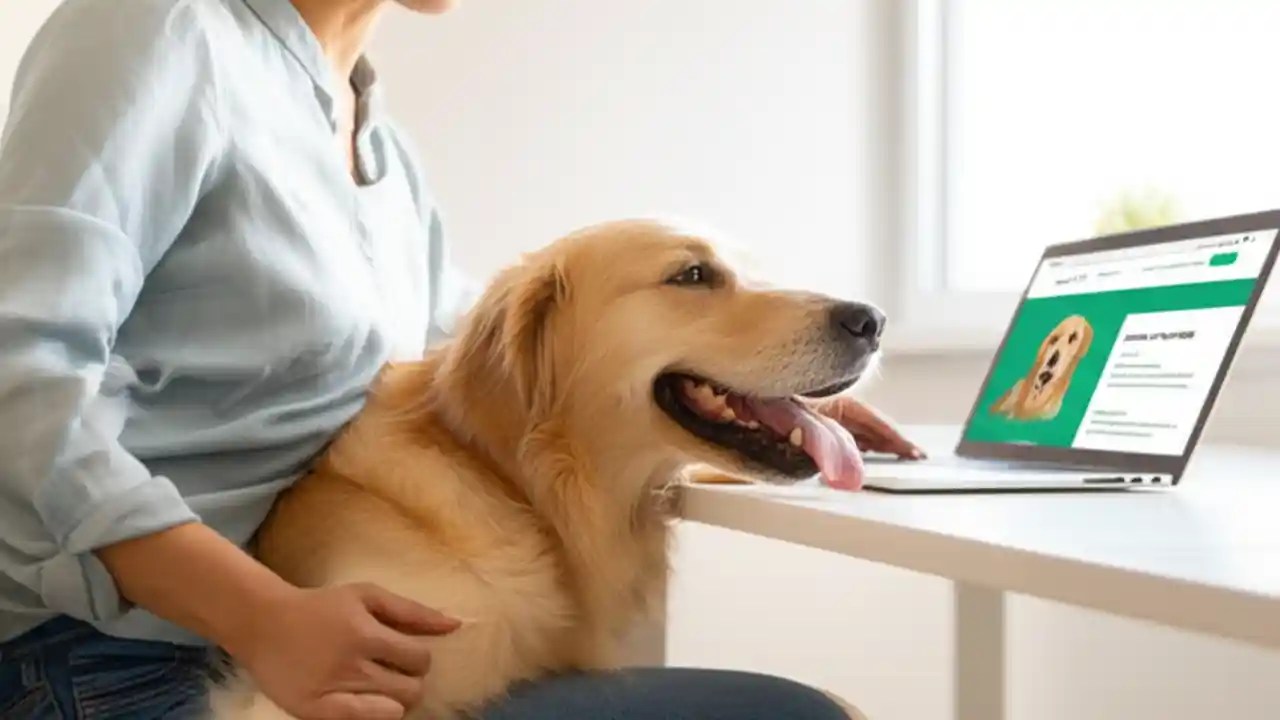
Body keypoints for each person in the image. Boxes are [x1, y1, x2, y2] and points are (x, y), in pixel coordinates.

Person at [0, 0, 923, 717]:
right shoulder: (154, 33)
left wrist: (775, 403)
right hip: (101, 661)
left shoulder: (376, 144)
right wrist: (264, 618)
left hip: (274, 635)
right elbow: (21, 377)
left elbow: (490, 366)